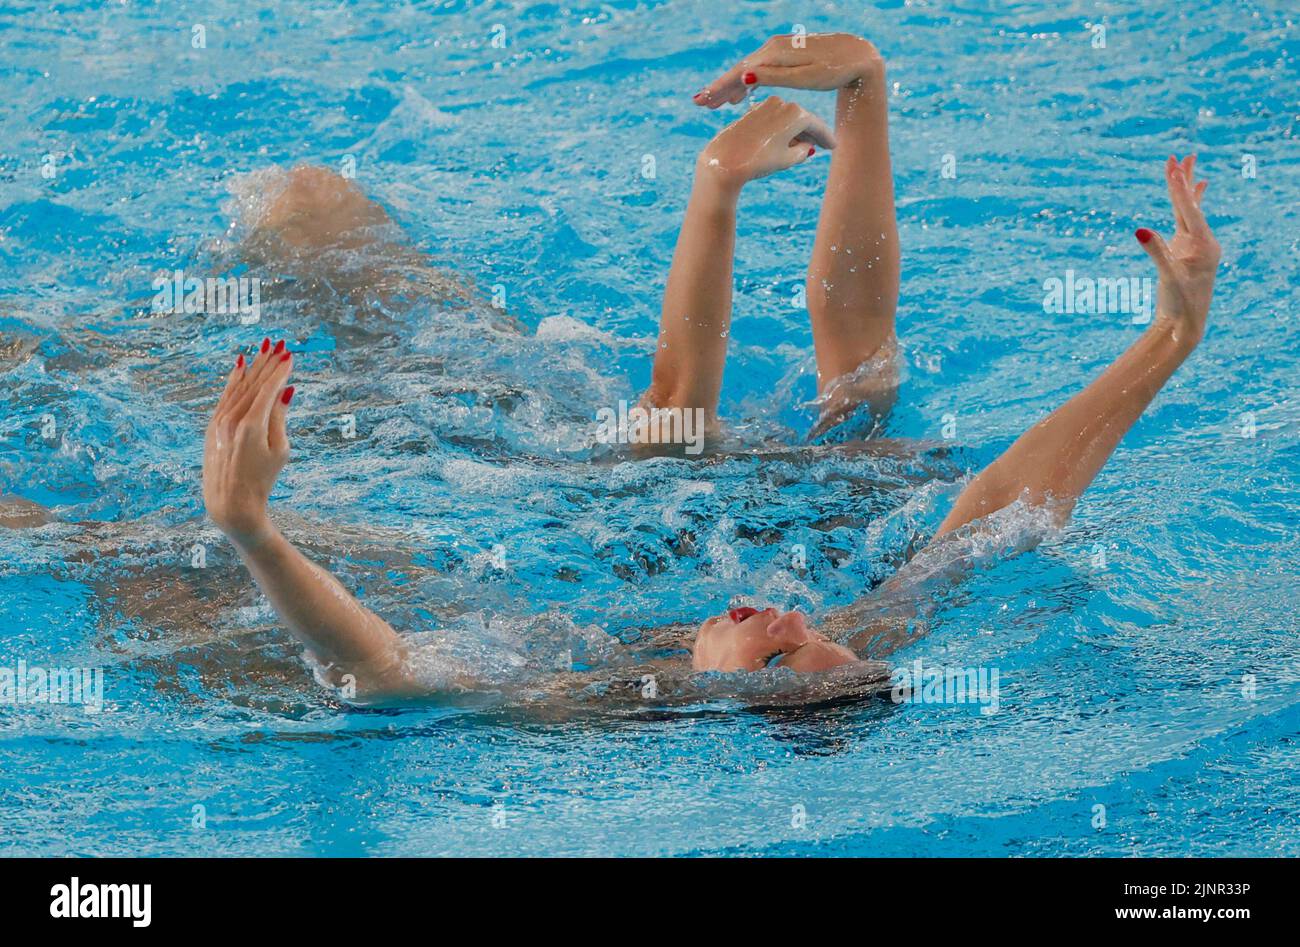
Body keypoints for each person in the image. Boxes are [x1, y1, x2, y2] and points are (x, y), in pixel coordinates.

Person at [199, 33, 1220, 699]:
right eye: (805, 631)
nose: (778, 613)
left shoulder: (593, 696)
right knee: (865, 391)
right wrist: (1171, 339)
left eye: (773, 652)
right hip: (695, 465)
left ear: (737, 703)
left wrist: (251, 529)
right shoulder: (855, 622)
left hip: (512, 445)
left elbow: (380, 666)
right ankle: (858, 91)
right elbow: (1011, 499)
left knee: (306, 208)